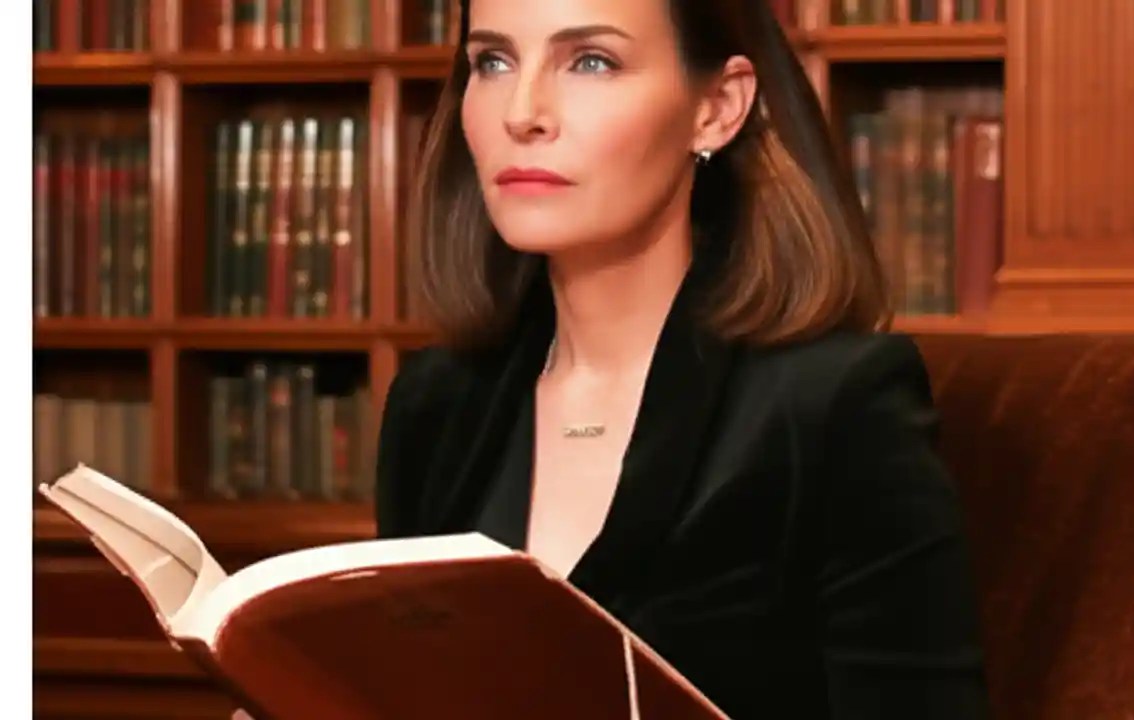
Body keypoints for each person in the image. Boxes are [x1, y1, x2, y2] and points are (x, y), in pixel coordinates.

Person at [376, 0, 993, 717]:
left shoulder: (838, 405)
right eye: (493, 61)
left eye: (591, 61)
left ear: (717, 109)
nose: (524, 112)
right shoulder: (434, 406)